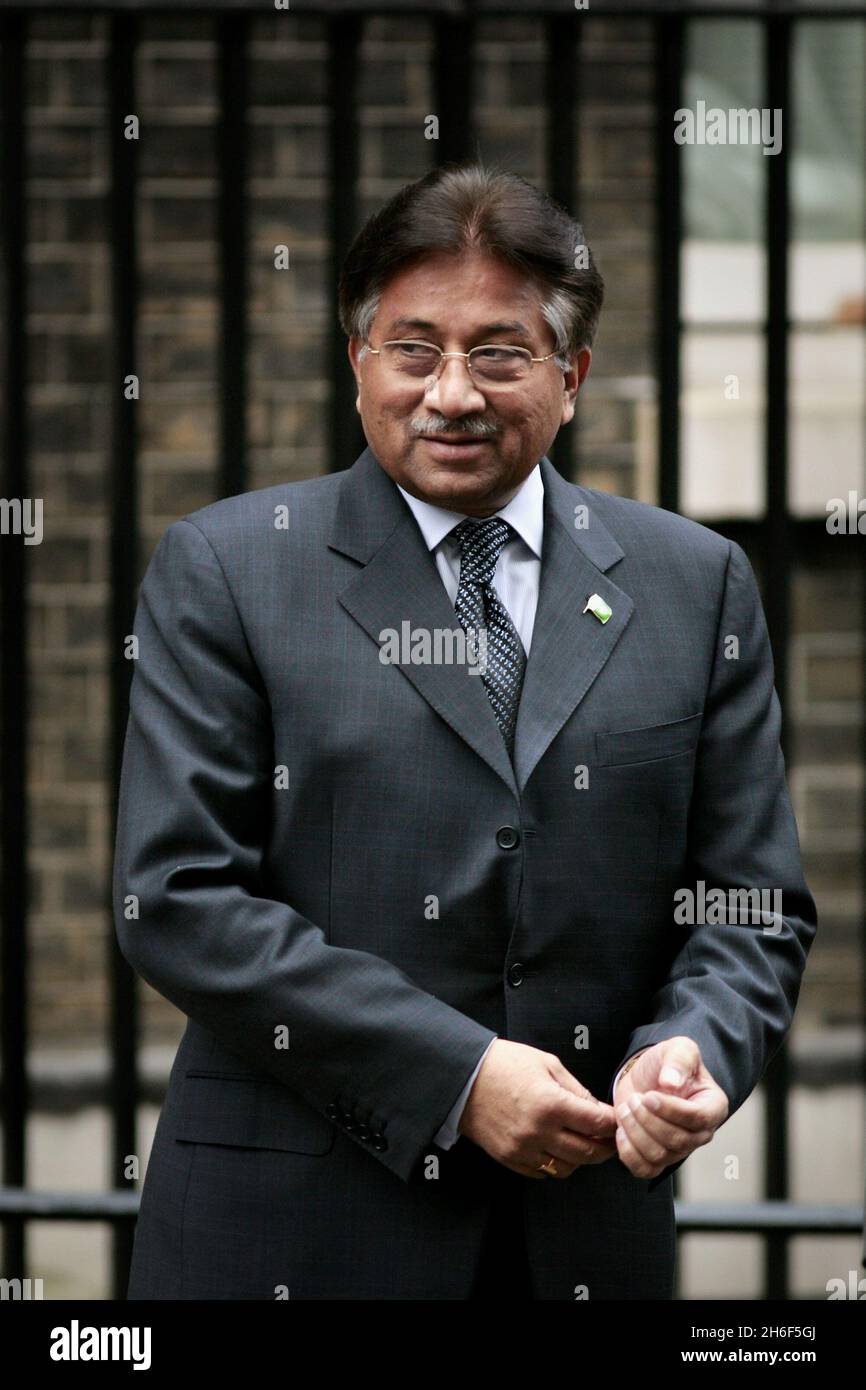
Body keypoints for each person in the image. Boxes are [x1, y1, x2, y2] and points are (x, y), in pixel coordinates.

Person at [114, 162, 817, 1300]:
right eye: (412, 349)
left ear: (571, 376)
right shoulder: (230, 571)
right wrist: (460, 1074)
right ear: (358, 365)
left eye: (497, 353)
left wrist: (691, 1045)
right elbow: (180, 897)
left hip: (579, 1240)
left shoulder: (697, 585)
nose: (450, 392)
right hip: (288, 1236)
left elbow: (751, 904)